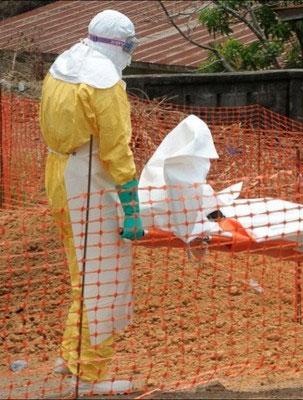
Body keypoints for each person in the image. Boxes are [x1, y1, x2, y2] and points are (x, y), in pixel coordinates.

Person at [39, 10, 143, 395]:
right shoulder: (103, 83)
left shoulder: (63, 66)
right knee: (103, 278)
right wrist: (131, 207)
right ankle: (90, 376)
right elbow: (117, 150)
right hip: (87, 180)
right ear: (122, 45)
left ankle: (72, 356)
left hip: (59, 173)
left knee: (81, 274)